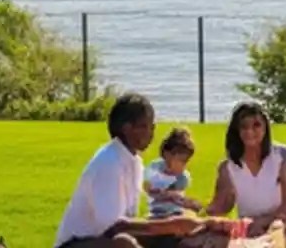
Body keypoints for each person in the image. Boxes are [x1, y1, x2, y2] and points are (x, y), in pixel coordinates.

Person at [53, 93, 233, 248]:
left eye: (153, 126)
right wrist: (173, 224)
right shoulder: (109, 162)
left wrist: (185, 225)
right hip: (79, 243)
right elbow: (116, 227)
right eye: (146, 126)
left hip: (106, 238)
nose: (152, 132)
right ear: (127, 128)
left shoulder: (134, 162)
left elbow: (129, 223)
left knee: (176, 238)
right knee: (124, 243)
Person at [206, 102, 286, 242]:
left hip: (281, 229)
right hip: (249, 234)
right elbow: (220, 206)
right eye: (244, 127)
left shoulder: (282, 156)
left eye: (256, 125)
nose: (250, 131)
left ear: (265, 128)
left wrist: (263, 223)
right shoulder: (228, 167)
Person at [145, 127, 203, 218]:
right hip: (156, 212)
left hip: (176, 212)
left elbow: (179, 199)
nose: (184, 165)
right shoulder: (155, 168)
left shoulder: (183, 177)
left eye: (186, 161)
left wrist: (188, 203)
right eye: (181, 161)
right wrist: (167, 195)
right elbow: (149, 190)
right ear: (167, 155)